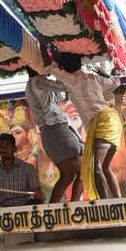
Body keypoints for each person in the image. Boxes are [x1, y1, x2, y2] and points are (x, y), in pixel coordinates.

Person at [44, 53, 123, 200]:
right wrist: (105, 74)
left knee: (96, 167)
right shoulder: (95, 78)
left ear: (65, 68)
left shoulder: (71, 80)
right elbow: (116, 83)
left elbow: (50, 67)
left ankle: (106, 204)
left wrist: (44, 45)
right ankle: (118, 201)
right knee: (105, 167)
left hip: (101, 122)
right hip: (112, 119)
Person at [25, 71, 84, 203]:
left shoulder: (34, 84)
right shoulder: (38, 81)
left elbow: (59, 96)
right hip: (56, 129)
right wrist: (61, 72)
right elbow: (63, 86)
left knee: (68, 175)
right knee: (81, 173)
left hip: (52, 131)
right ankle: (72, 207)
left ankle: (55, 208)